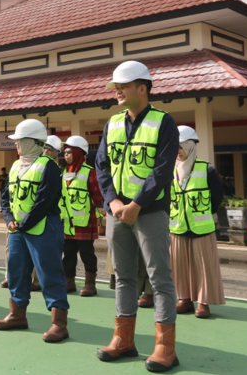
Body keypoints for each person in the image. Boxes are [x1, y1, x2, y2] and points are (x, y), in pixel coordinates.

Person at [95, 60, 180, 373]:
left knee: (159, 278)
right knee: (123, 277)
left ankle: (165, 347)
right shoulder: (113, 122)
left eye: (123, 86)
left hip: (150, 212)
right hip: (117, 212)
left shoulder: (164, 122)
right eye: (116, 86)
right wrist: (113, 201)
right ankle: (123, 340)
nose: (117, 91)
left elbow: (162, 170)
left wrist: (136, 205)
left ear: (142, 88)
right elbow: (101, 165)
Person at [0, 119, 70, 342]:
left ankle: (59, 324)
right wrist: (9, 219)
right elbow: (5, 197)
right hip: (18, 230)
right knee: (17, 273)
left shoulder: (49, 166)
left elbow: (44, 201)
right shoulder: (16, 166)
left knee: (50, 274)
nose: (16, 144)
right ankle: (17, 315)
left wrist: (22, 224)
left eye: (19, 141)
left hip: (43, 228)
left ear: (32, 142)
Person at [170, 126, 225, 319]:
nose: (177, 151)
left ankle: (203, 303)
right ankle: (184, 298)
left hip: (201, 228)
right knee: (179, 265)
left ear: (190, 145)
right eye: (174, 147)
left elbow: (217, 197)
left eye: (180, 146)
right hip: (177, 227)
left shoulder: (206, 168)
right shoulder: (169, 169)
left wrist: (202, 213)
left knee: (204, 266)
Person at [59, 136, 104, 297]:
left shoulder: (89, 172)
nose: (65, 154)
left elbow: (98, 196)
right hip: (68, 225)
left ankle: (90, 284)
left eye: (69, 151)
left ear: (78, 153)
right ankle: (68, 282)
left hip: (85, 223)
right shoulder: (64, 173)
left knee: (87, 254)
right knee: (68, 254)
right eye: (64, 152)